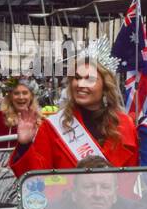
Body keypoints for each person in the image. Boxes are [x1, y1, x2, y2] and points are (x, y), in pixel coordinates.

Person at [11, 48, 139, 174]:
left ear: (105, 86)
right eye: (77, 78)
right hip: (65, 195)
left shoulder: (125, 125)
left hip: (116, 195)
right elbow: (35, 182)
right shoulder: (53, 126)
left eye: (89, 79)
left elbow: (133, 177)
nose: (80, 84)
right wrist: (24, 145)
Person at [0, 77, 42, 148]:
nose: (21, 97)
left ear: (31, 96)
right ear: (10, 97)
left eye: (25, 93)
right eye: (16, 93)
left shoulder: (41, 121)